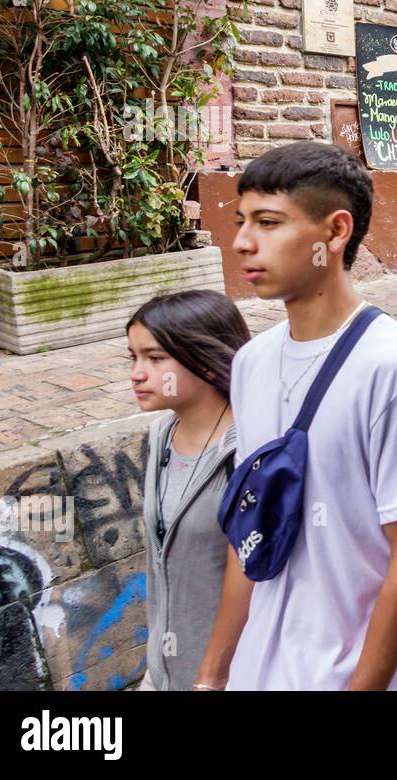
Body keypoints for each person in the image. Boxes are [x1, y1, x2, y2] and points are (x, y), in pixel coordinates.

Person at [194, 142, 397, 691]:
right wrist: (213, 675)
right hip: (262, 671)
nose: (241, 242)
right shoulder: (251, 364)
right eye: (241, 221)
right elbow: (251, 528)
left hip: (352, 675)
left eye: (268, 223)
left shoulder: (395, 367)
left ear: (335, 233)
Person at [127, 290, 249, 691]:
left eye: (155, 358)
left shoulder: (248, 451)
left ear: (206, 360)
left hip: (231, 679)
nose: (137, 373)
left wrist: (211, 678)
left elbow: (250, 578)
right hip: (164, 675)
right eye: (134, 357)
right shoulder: (161, 435)